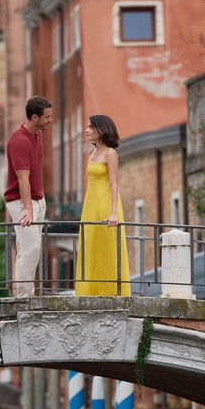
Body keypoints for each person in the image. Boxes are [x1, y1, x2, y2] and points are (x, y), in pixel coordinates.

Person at [75, 114, 131, 297]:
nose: (86, 130)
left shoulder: (110, 153)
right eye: (87, 127)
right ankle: (88, 290)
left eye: (91, 127)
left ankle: (112, 291)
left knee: (108, 247)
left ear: (101, 129)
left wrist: (114, 213)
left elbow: (114, 183)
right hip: (91, 204)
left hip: (107, 204)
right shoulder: (92, 153)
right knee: (90, 244)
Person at [4, 95, 53, 297]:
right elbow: (22, 179)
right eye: (47, 117)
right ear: (35, 117)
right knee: (31, 250)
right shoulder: (19, 141)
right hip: (20, 202)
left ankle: (25, 294)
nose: (50, 120)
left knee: (28, 249)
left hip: (37, 200)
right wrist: (29, 208)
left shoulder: (37, 135)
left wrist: (40, 201)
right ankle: (24, 299)